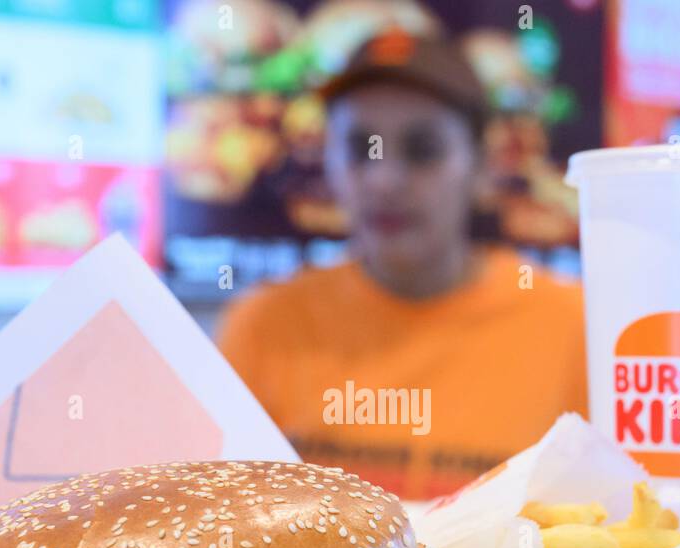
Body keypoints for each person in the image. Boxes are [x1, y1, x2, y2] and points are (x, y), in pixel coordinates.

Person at [217, 29, 587, 500]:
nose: (385, 179)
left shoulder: (574, 327)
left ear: (482, 166)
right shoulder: (260, 328)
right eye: (359, 147)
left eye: (423, 149)